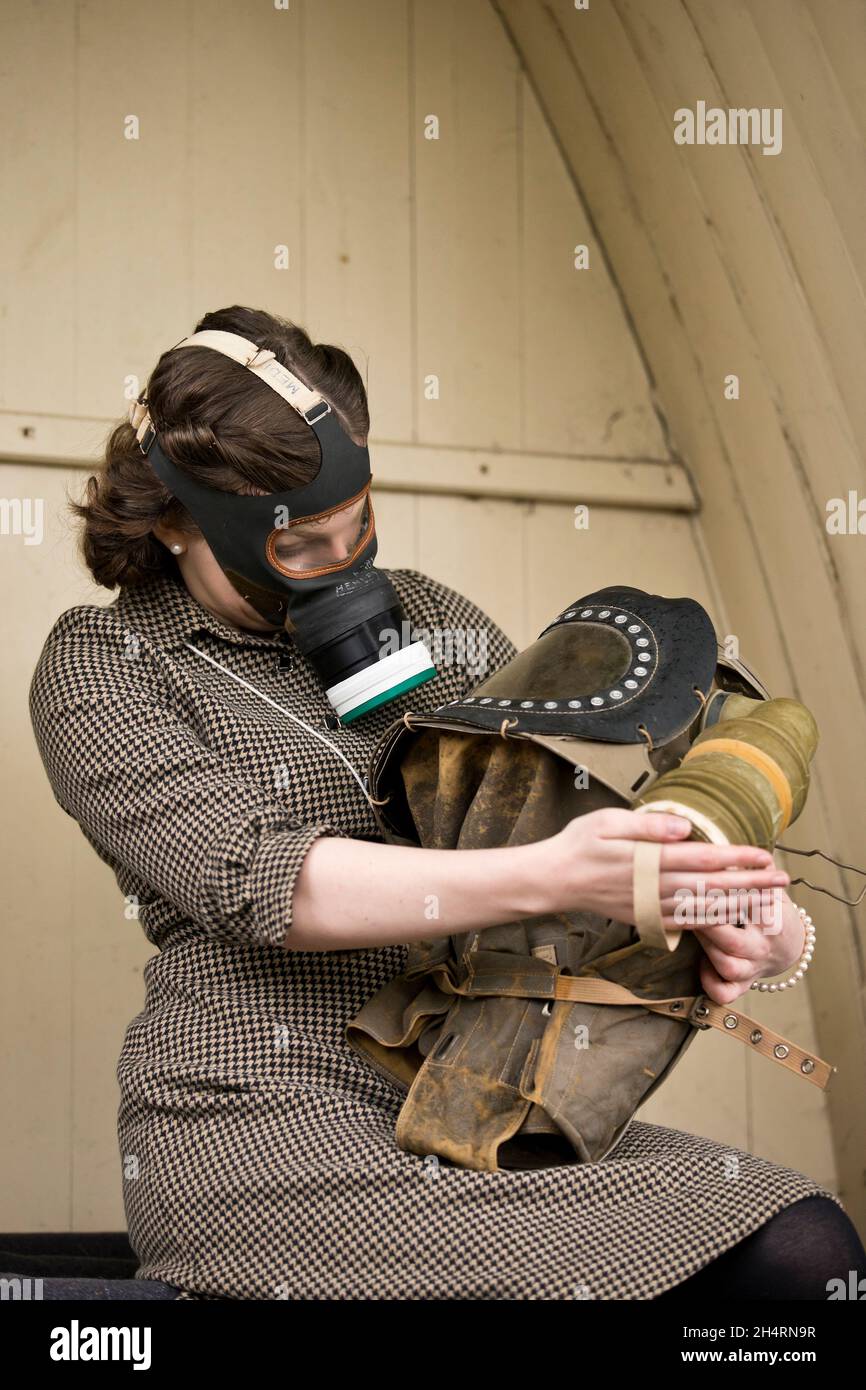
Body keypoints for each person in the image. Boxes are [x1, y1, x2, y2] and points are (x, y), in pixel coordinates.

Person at [28, 304, 865, 1301]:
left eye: (360, 524)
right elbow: (261, 881)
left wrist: (751, 926)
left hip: (472, 1089)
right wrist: (550, 872)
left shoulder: (424, 616)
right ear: (173, 519)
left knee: (802, 1247)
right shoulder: (104, 663)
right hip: (262, 1115)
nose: (345, 567)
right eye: (300, 547)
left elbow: (563, 811)